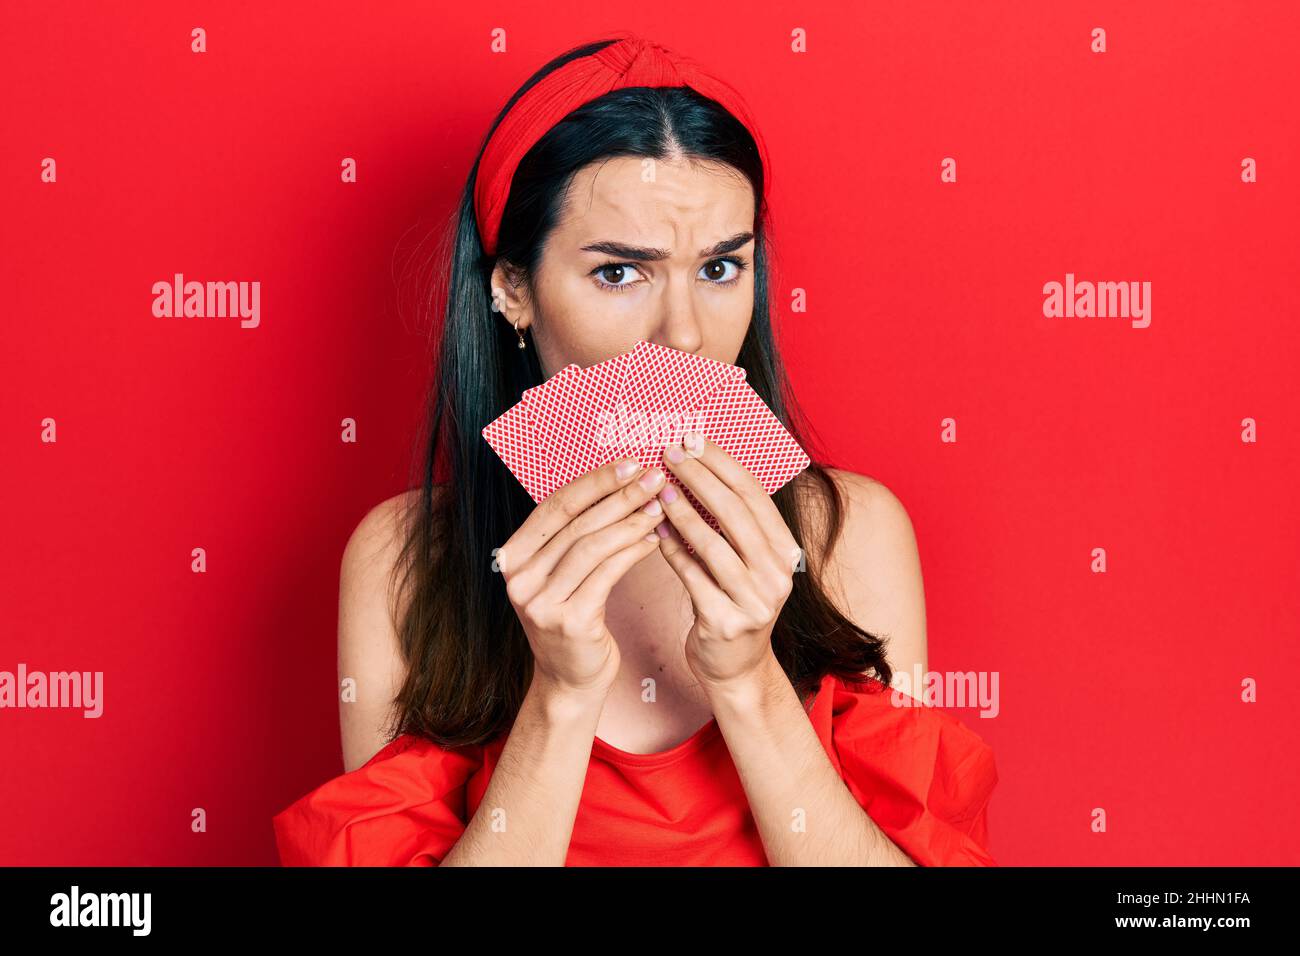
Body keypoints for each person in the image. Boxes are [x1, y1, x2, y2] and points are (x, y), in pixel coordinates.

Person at [272, 32, 998, 866]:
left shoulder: (849, 537)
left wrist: (749, 683)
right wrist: (560, 696)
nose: (685, 335)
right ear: (512, 288)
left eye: (721, 269)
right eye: (621, 272)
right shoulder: (408, 561)